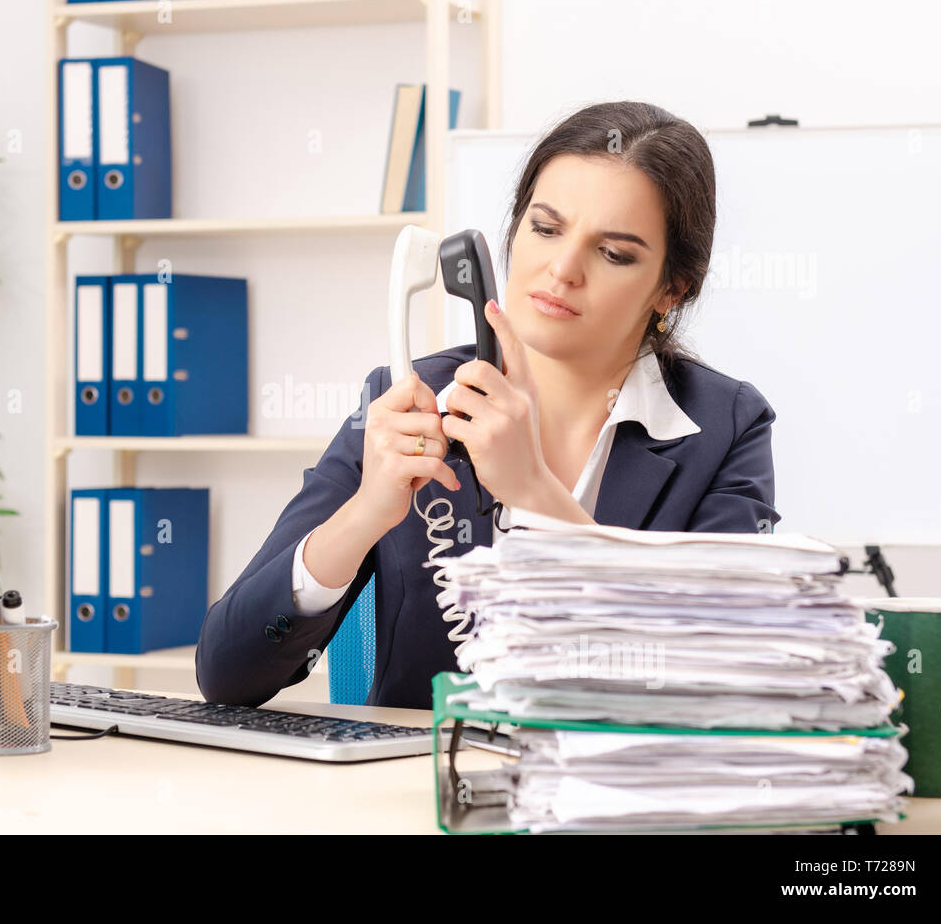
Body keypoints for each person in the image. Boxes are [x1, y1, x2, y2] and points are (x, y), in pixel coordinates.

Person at [196, 101, 781, 710]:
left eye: (613, 253)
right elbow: (226, 674)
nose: (561, 269)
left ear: (671, 289)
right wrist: (366, 510)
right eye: (546, 228)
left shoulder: (725, 427)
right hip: (419, 789)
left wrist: (537, 495)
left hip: (620, 791)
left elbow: (729, 682)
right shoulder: (407, 397)